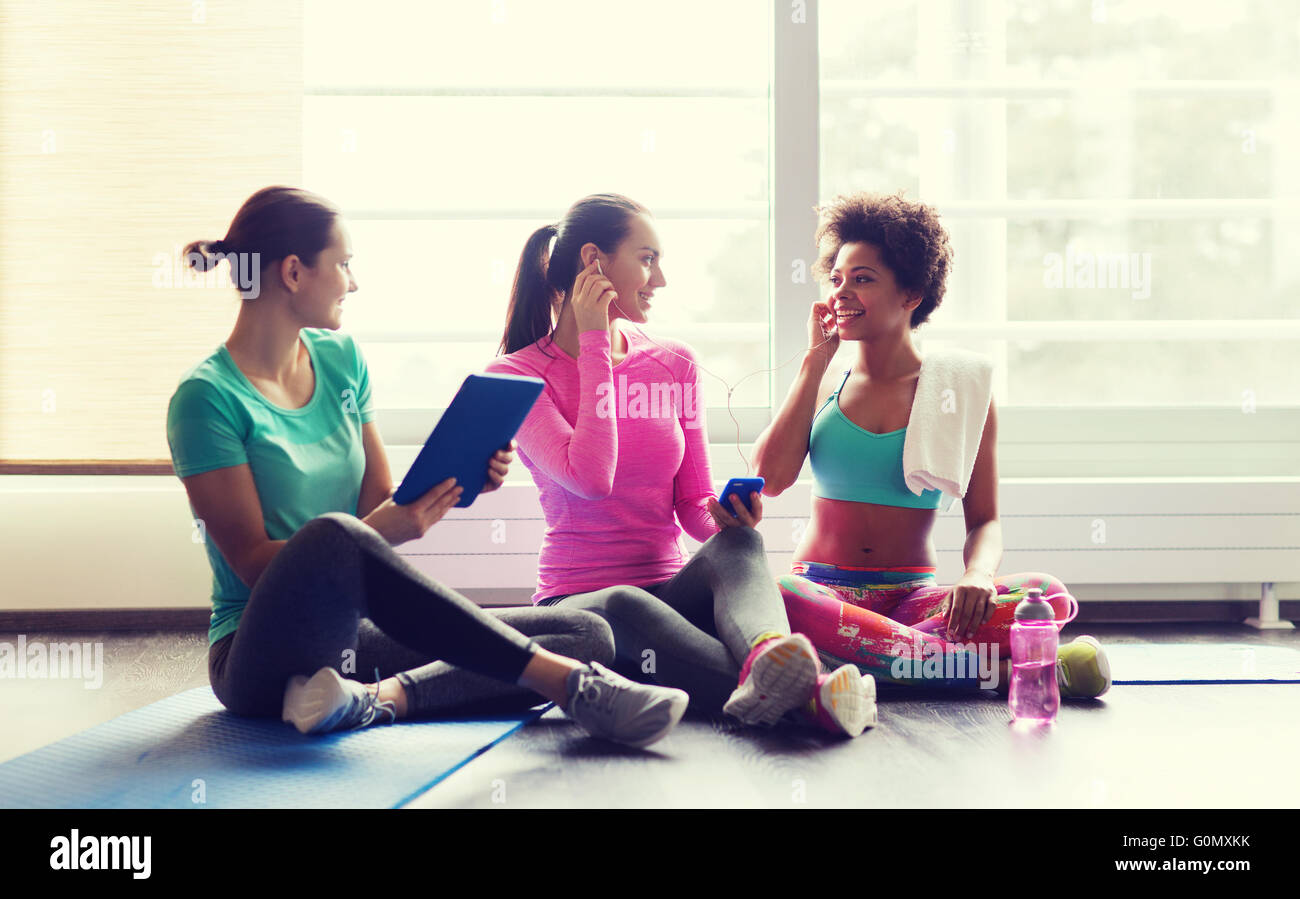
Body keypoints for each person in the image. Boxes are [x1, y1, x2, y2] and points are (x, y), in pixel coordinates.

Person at [165, 185, 688, 749]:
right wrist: (378, 529)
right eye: (343, 264)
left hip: (351, 633)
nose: (353, 282)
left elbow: (377, 506)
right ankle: (564, 683)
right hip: (257, 652)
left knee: (586, 631)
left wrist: (459, 478)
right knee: (331, 537)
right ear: (294, 272)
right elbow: (254, 564)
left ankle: (368, 698)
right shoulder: (206, 398)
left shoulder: (341, 363)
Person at [484, 193, 876, 737]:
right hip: (585, 609)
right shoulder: (515, 378)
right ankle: (817, 691)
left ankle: (771, 659)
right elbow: (592, 479)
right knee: (625, 603)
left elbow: (693, 507)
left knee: (741, 546)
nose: (660, 279)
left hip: (674, 592)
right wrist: (595, 339)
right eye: (647, 259)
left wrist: (727, 516)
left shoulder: (674, 362)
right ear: (592, 261)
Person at [753, 190, 1111, 698]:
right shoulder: (824, 382)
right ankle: (1000, 671)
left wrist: (979, 575)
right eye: (836, 279)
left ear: (911, 294)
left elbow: (985, 519)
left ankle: (864, 664)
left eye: (863, 279)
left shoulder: (959, 390)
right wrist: (813, 362)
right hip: (822, 589)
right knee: (783, 595)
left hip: (912, 601)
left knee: (1044, 595)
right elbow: (769, 479)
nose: (840, 293)